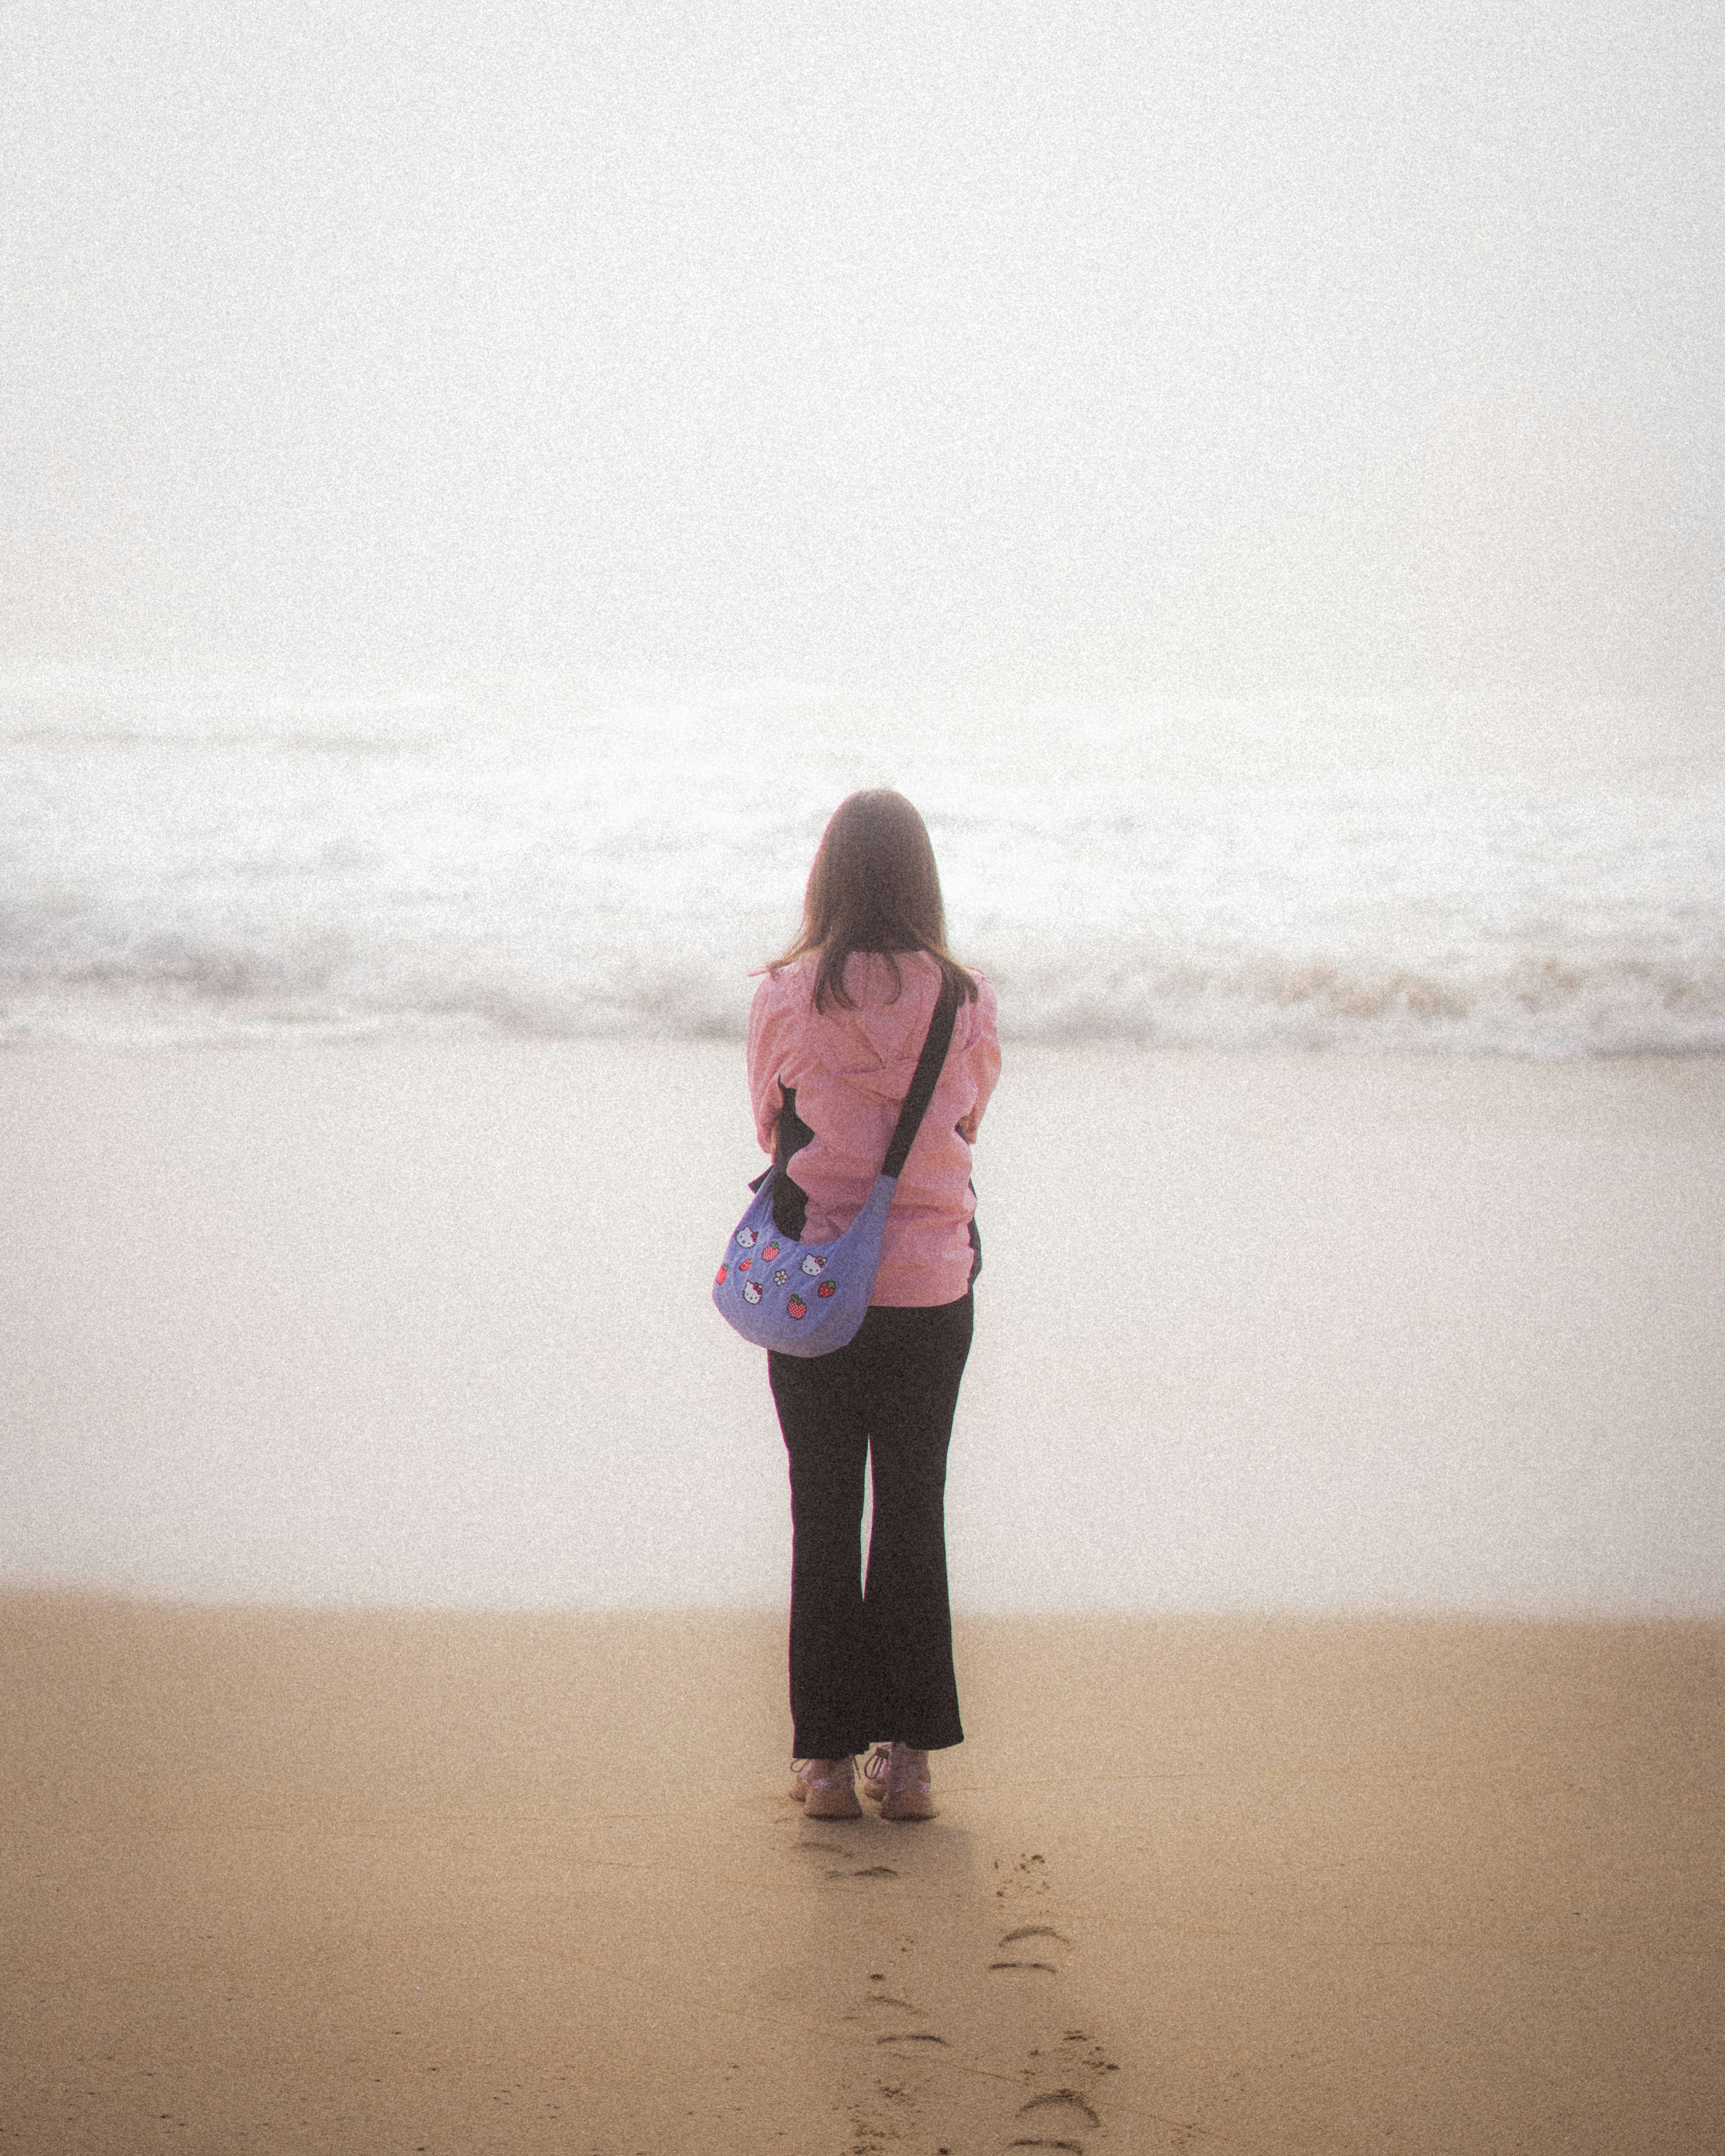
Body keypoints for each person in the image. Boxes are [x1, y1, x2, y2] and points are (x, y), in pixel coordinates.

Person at [745, 789, 1000, 1821]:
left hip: (814, 1284)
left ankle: (823, 1763)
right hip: (931, 1284)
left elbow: (772, 1124)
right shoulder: (965, 1000)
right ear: (921, 879)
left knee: (820, 1509)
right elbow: (970, 1115)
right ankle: (910, 1762)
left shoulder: (784, 992)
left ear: (826, 876)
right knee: (910, 1509)